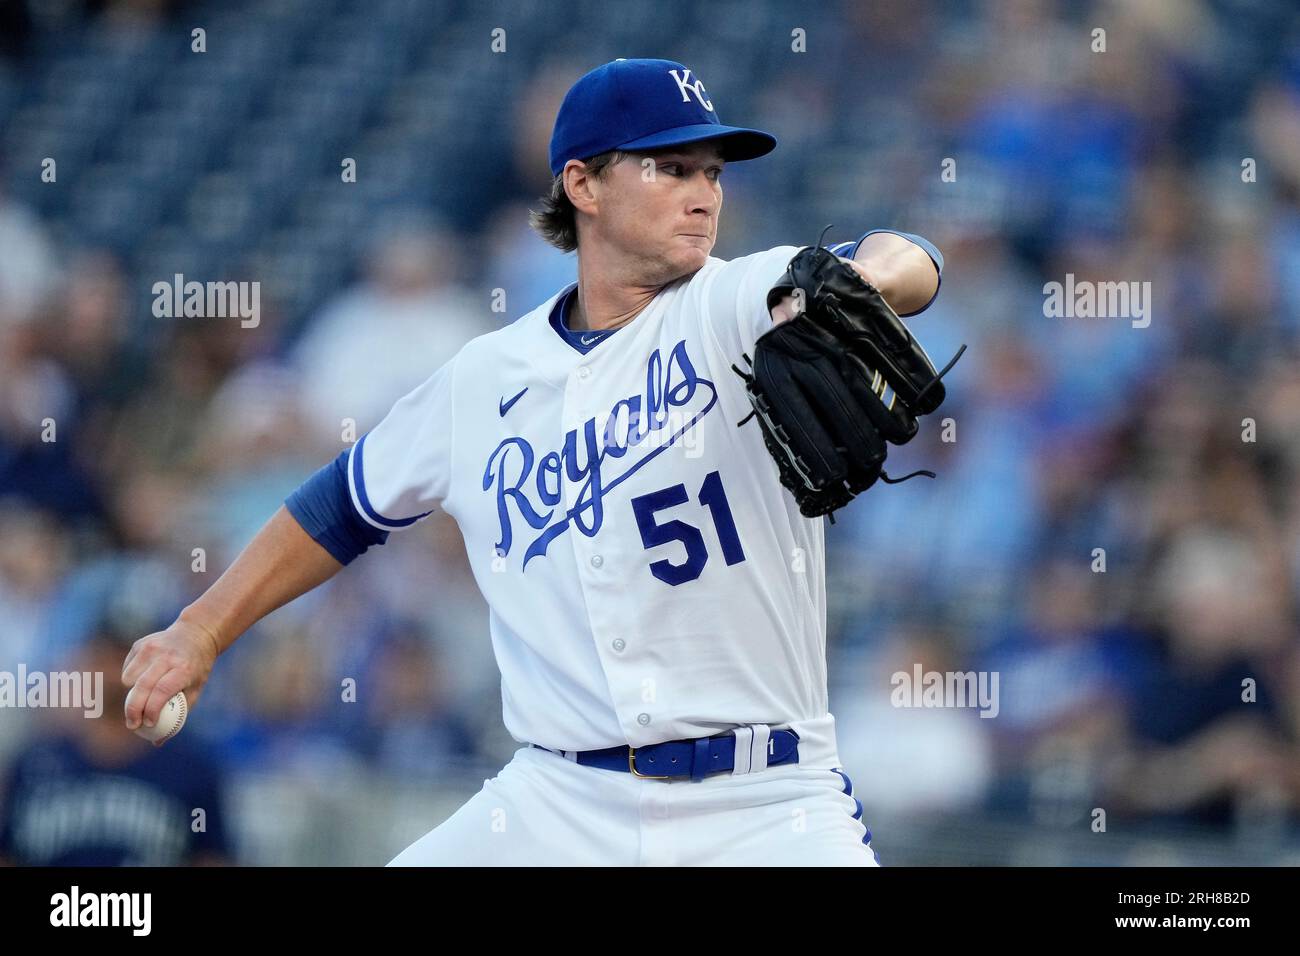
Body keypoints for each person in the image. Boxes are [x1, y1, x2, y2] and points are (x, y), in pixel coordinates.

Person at [121, 58, 945, 866]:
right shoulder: (482, 380)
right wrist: (201, 629)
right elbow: (339, 506)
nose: (705, 192)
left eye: (713, 172)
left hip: (765, 804)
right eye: (671, 166)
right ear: (582, 186)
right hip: (561, 803)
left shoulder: (737, 303)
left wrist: (869, 278)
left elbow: (914, 257)